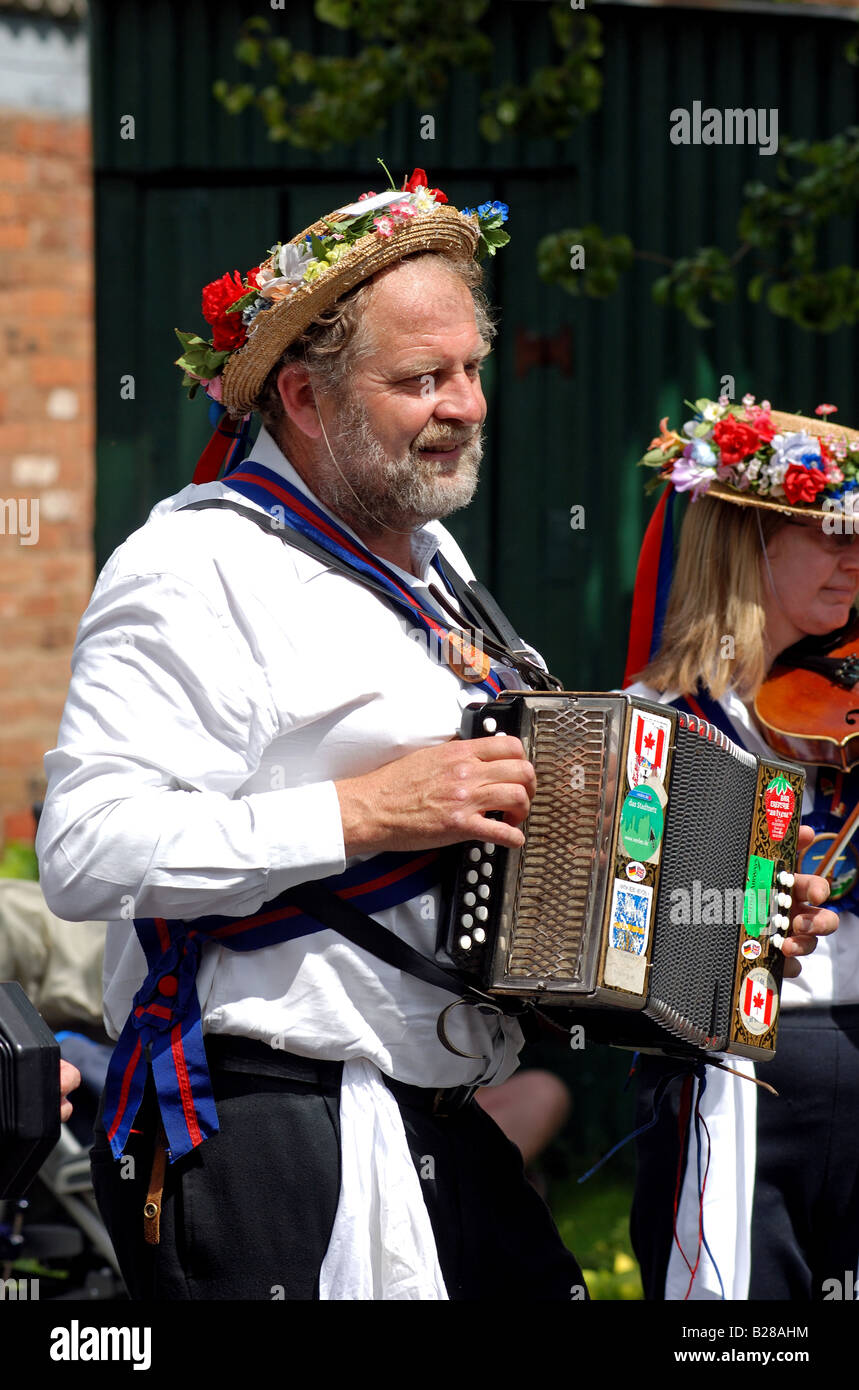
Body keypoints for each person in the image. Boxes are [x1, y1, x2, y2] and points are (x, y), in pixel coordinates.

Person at [34, 171, 585, 1302]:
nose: (466, 405)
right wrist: (372, 809)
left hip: (436, 1118)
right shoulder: (193, 564)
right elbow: (83, 848)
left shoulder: (439, 572)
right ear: (303, 398)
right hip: (270, 1131)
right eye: (420, 379)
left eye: (471, 371)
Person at [625, 392, 849, 1300]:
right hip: (735, 1079)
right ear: (747, 539)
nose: (854, 560)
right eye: (831, 536)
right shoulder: (660, 724)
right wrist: (750, 904)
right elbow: (650, 928)